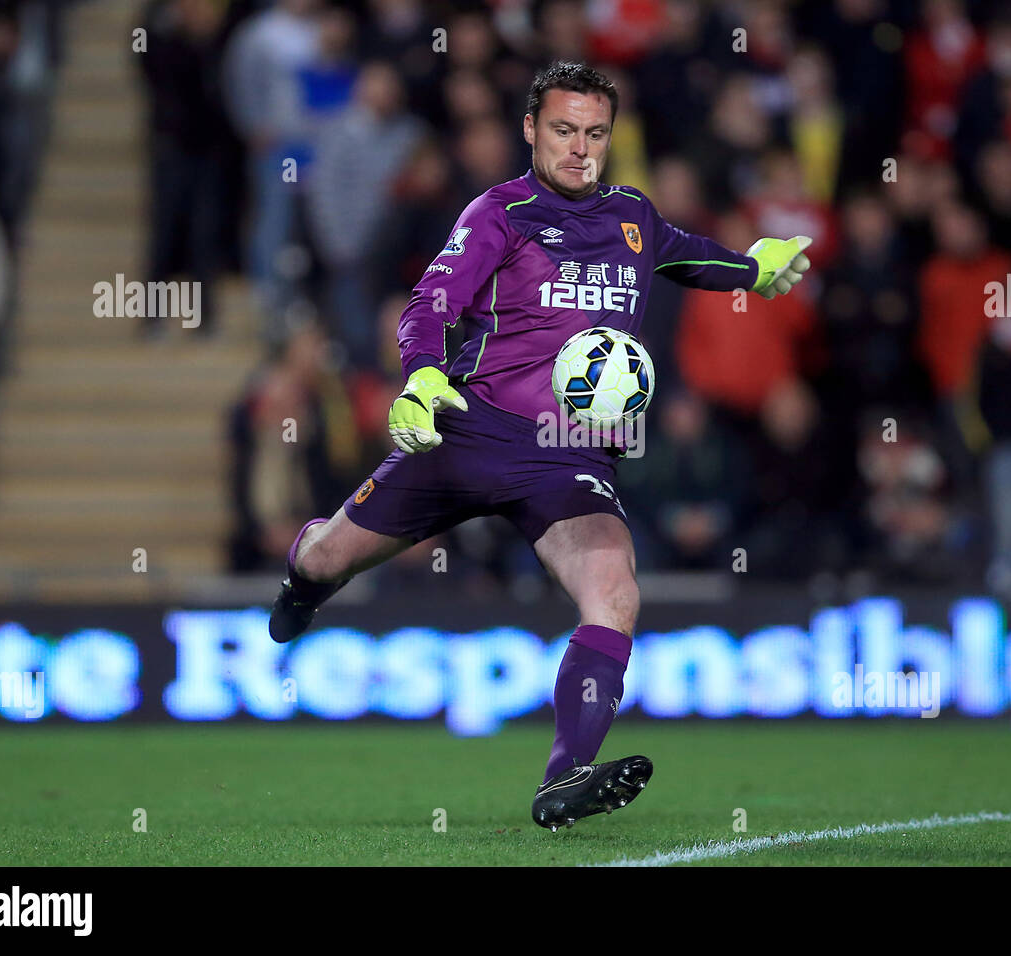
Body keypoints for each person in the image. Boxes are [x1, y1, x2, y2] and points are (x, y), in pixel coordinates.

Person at [266, 61, 812, 831]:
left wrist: (750, 269)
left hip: (571, 454)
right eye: (564, 130)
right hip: (470, 433)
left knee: (616, 593)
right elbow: (431, 301)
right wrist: (421, 380)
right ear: (531, 130)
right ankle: (303, 578)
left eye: (595, 133)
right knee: (328, 558)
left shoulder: (631, 215)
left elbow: (681, 254)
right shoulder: (500, 211)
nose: (580, 149)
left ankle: (565, 778)